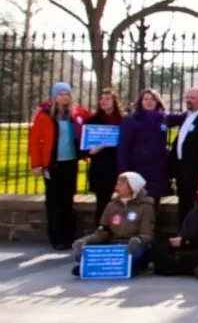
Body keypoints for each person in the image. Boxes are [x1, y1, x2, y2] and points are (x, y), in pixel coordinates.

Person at [30, 82, 90, 250]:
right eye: (61, 94)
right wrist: (36, 164)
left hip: (71, 163)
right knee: (54, 201)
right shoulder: (44, 116)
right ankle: (56, 237)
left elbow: (94, 120)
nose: (64, 97)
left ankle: (69, 235)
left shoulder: (76, 114)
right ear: (54, 97)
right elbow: (34, 141)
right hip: (53, 164)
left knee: (68, 200)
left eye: (67, 94)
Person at [70, 172, 156, 276]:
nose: (116, 187)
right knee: (84, 253)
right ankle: (101, 266)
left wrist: (138, 239)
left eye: (121, 185)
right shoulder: (111, 205)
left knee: (137, 254)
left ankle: (99, 268)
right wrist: (84, 241)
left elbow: (148, 235)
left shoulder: (145, 207)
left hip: (133, 245)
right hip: (113, 246)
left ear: (132, 187)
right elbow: (102, 232)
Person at [167, 87, 198, 219]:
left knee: (194, 205)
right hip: (182, 169)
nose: (188, 100)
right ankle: (181, 234)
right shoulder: (186, 116)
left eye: (192, 98)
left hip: (196, 171)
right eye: (187, 97)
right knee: (183, 203)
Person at [118, 89, 171, 201]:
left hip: (157, 170)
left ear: (157, 102)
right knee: (137, 203)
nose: (149, 102)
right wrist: (124, 170)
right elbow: (123, 147)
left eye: (152, 99)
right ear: (140, 102)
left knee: (155, 204)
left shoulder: (164, 119)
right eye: (146, 99)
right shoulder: (131, 120)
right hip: (137, 168)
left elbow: (185, 117)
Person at [83, 88, 121, 229]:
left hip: (119, 166)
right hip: (101, 168)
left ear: (114, 101)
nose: (103, 102)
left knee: (121, 204)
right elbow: (86, 150)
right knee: (103, 203)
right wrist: (95, 149)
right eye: (101, 99)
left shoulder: (123, 120)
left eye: (107, 99)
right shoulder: (92, 121)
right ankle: (100, 233)